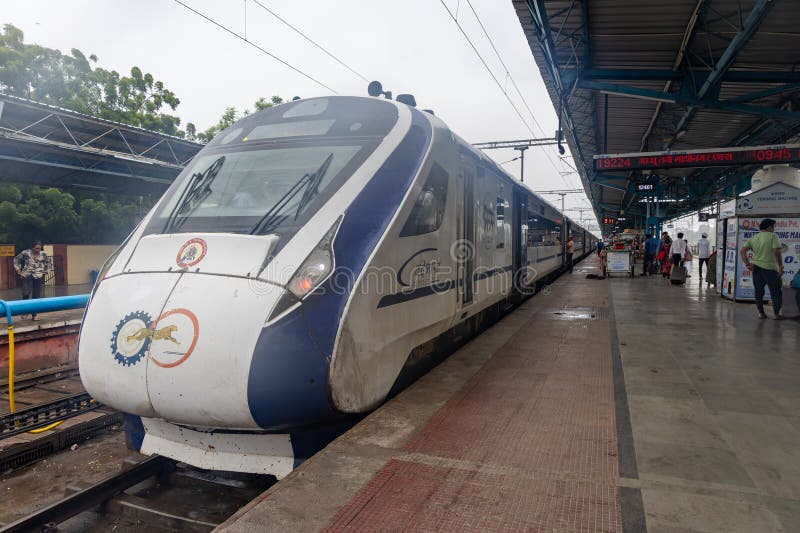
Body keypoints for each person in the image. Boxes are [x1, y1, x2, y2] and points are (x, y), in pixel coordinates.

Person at [741, 218, 783, 320]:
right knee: (776, 292)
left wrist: (747, 264)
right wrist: (780, 266)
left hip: (756, 268)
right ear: (769, 227)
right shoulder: (773, 236)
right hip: (770, 269)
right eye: (773, 226)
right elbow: (776, 251)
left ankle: (761, 313)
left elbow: (742, 251)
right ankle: (776, 314)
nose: (774, 229)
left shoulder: (754, 238)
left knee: (758, 291)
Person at [13, 241, 49, 321]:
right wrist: (18, 270)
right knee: (25, 293)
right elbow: (16, 259)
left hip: (38, 275)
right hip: (26, 274)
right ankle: (25, 312)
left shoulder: (43, 254)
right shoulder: (26, 253)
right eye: (36, 248)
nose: (38, 250)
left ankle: (34, 315)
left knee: (36, 295)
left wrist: (46, 270)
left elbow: (47, 262)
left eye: (39, 248)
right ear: (32, 248)